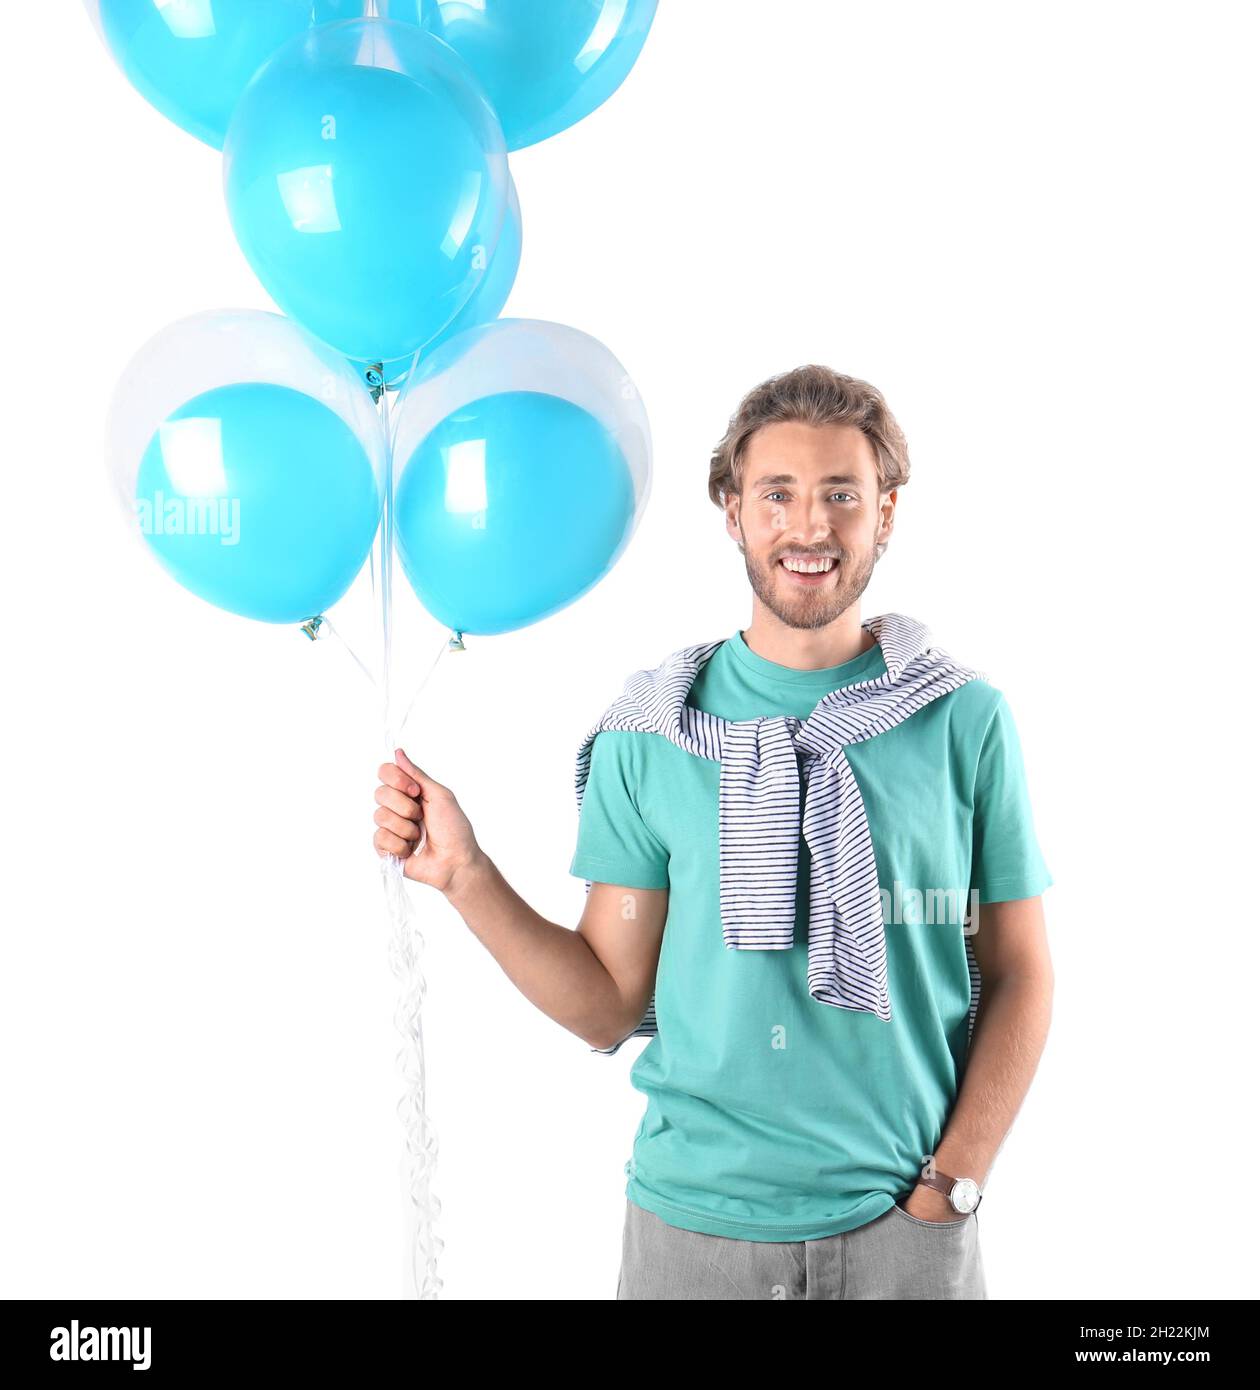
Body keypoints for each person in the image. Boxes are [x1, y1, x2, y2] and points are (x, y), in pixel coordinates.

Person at [371, 365, 1054, 1300]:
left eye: (841, 496)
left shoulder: (962, 719)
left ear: (885, 515)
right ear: (732, 513)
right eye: (777, 495)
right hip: (692, 1243)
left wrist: (953, 1186)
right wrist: (467, 877)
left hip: (908, 1232)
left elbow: (1020, 970)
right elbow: (609, 1001)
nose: (809, 528)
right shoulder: (652, 732)